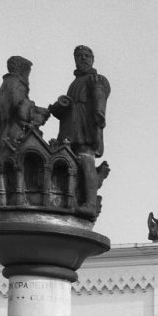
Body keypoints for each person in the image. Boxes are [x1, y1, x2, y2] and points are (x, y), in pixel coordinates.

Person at [50, 45, 110, 213]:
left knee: (86, 160)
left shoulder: (96, 79)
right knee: (72, 162)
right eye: (79, 56)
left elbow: (99, 97)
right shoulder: (75, 82)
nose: (83, 59)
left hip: (85, 125)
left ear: (92, 59)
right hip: (70, 127)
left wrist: (99, 115)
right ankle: (73, 197)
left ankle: (90, 204)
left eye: (86, 56)